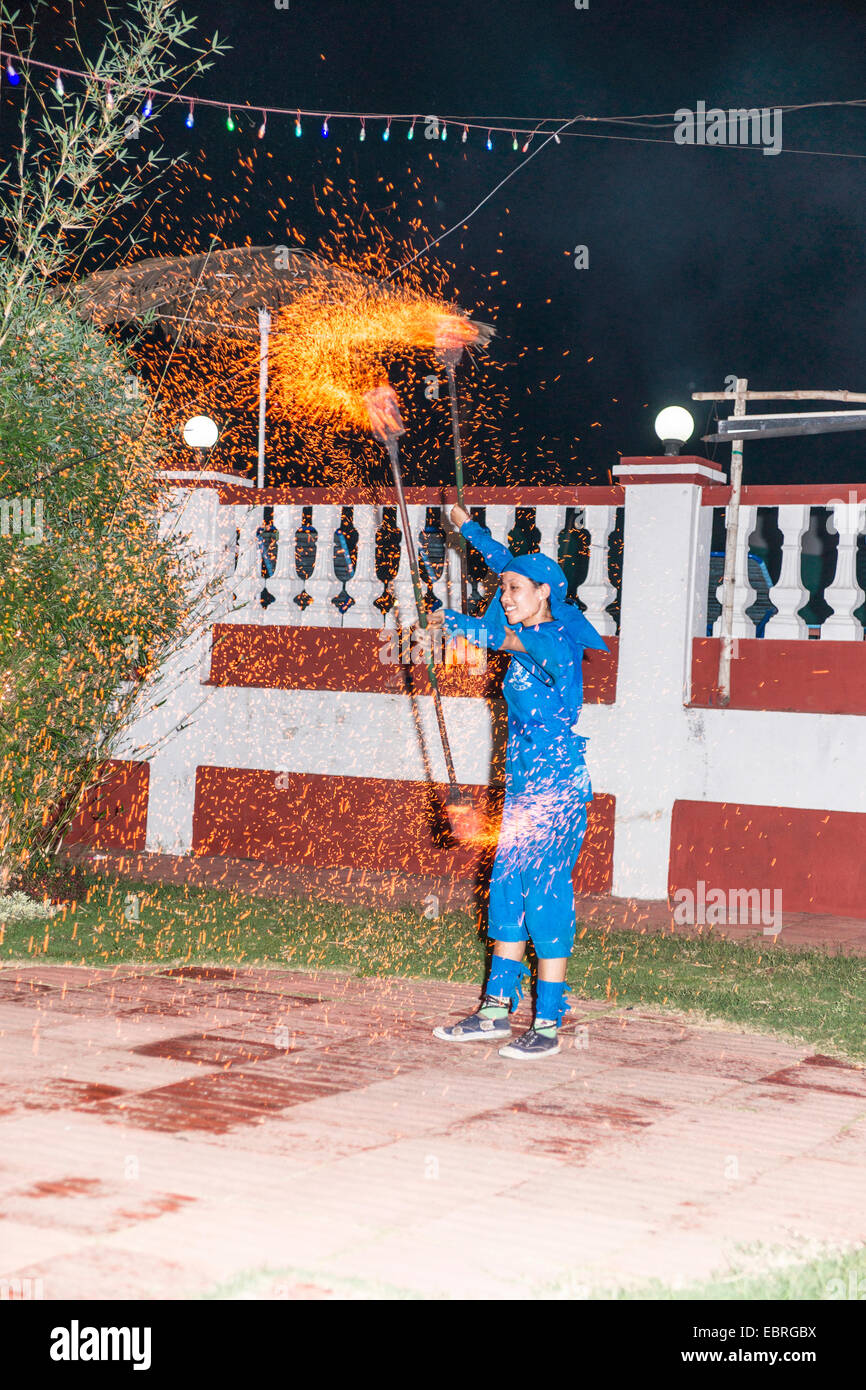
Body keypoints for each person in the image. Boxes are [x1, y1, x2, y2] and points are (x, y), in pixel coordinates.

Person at [428, 504, 608, 1060]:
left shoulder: (556, 640)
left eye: (514, 591)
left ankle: (549, 1022)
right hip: (523, 788)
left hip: (556, 790)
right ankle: (494, 1010)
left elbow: (501, 639)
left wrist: (450, 620)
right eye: (502, 590)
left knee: (544, 896)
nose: (504, 596)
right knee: (506, 891)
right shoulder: (529, 607)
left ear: (545, 595)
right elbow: (508, 563)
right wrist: (468, 528)